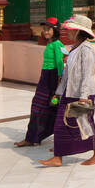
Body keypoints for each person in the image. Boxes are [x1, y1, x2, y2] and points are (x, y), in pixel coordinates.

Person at [40, 14, 95, 167]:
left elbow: (87, 74)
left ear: (78, 32)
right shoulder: (74, 48)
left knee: (85, 123)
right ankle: (58, 157)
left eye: (70, 30)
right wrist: (58, 92)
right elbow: (67, 73)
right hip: (69, 93)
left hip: (82, 94)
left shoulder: (86, 49)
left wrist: (83, 97)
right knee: (61, 125)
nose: (67, 32)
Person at [15, 17, 62, 147]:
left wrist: (58, 87)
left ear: (55, 30)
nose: (45, 31)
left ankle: (56, 137)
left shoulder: (58, 45)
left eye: (48, 29)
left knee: (53, 107)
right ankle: (33, 137)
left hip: (52, 79)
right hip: (45, 77)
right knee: (40, 107)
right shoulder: (50, 44)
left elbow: (60, 66)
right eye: (44, 29)